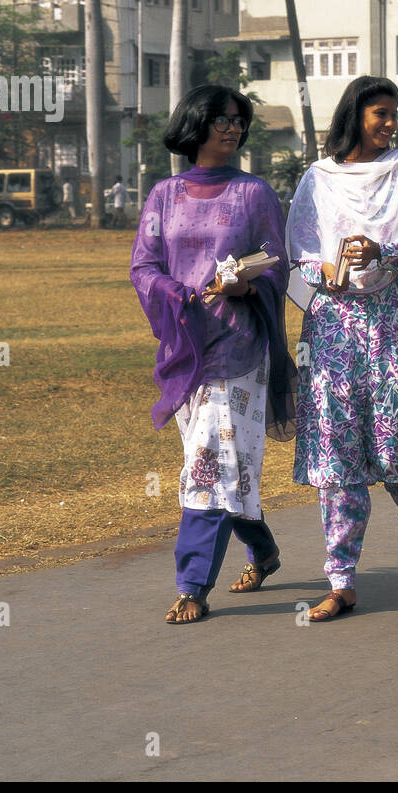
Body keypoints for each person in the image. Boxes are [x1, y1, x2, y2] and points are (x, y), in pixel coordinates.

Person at [286, 76, 398, 621]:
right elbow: (300, 249)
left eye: (394, 113)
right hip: (333, 328)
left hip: (393, 324)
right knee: (338, 455)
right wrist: (323, 269)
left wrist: (383, 251)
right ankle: (341, 581)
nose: (390, 123)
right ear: (354, 116)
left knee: (396, 450)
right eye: (380, 114)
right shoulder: (317, 179)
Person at [130, 85, 296, 624]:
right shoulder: (163, 195)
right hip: (186, 349)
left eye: (237, 120)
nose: (231, 128)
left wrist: (243, 286)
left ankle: (192, 584)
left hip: (240, 348)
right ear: (195, 126)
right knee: (226, 466)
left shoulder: (254, 194)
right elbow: (143, 266)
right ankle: (264, 548)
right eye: (220, 119)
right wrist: (172, 292)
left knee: (210, 463)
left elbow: (276, 262)